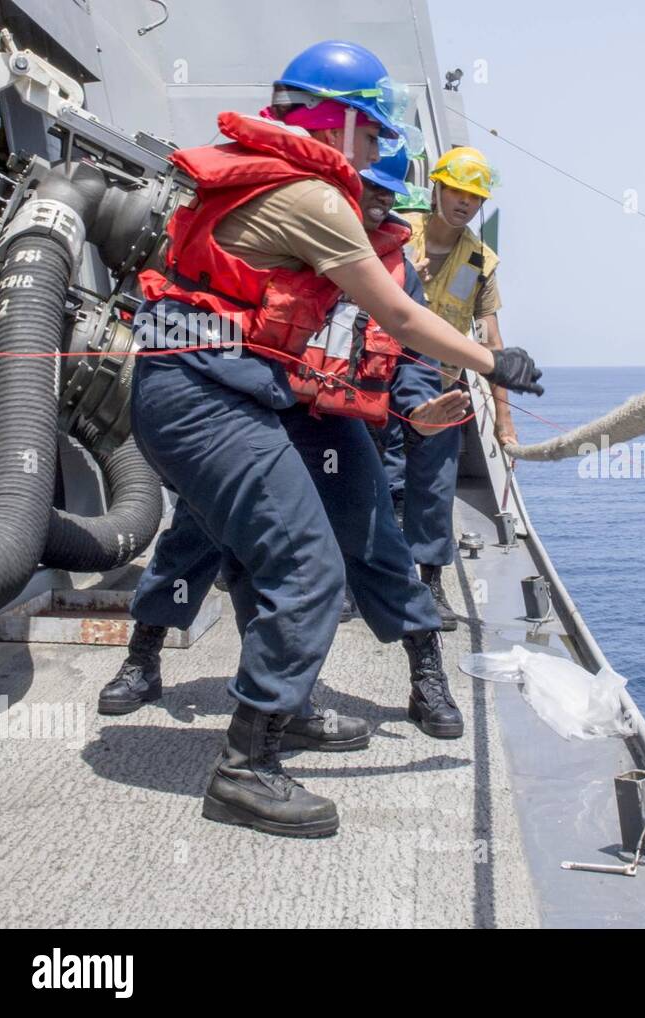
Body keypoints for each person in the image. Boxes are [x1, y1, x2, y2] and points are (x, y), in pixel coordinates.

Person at [126, 40, 542, 839]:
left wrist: (405, 412)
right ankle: (245, 766)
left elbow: (372, 350)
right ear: (343, 125)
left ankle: (300, 707)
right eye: (377, 137)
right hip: (213, 395)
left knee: (321, 549)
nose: (382, 164)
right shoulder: (315, 201)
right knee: (299, 563)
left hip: (248, 393)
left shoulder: (289, 192)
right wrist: (498, 362)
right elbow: (400, 321)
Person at [99, 148, 466, 751]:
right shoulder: (285, 227)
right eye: (365, 188)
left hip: (334, 425)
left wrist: (419, 414)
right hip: (250, 413)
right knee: (193, 535)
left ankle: (426, 674)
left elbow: (412, 355)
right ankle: (144, 657)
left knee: (378, 544)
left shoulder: (398, 273)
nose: (375, 202)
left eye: (386, 194)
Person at [375, 146, 512, 630]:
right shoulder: (394, 231)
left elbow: (491, 338)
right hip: (379, 374)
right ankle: (368, 579)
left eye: (474, 197)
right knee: (377, 477)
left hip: (442, 384)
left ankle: (430, 583)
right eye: (456, 190)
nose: (464, 203)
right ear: (436, 187)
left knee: (434, 486)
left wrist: (505, 425)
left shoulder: (481, 260)